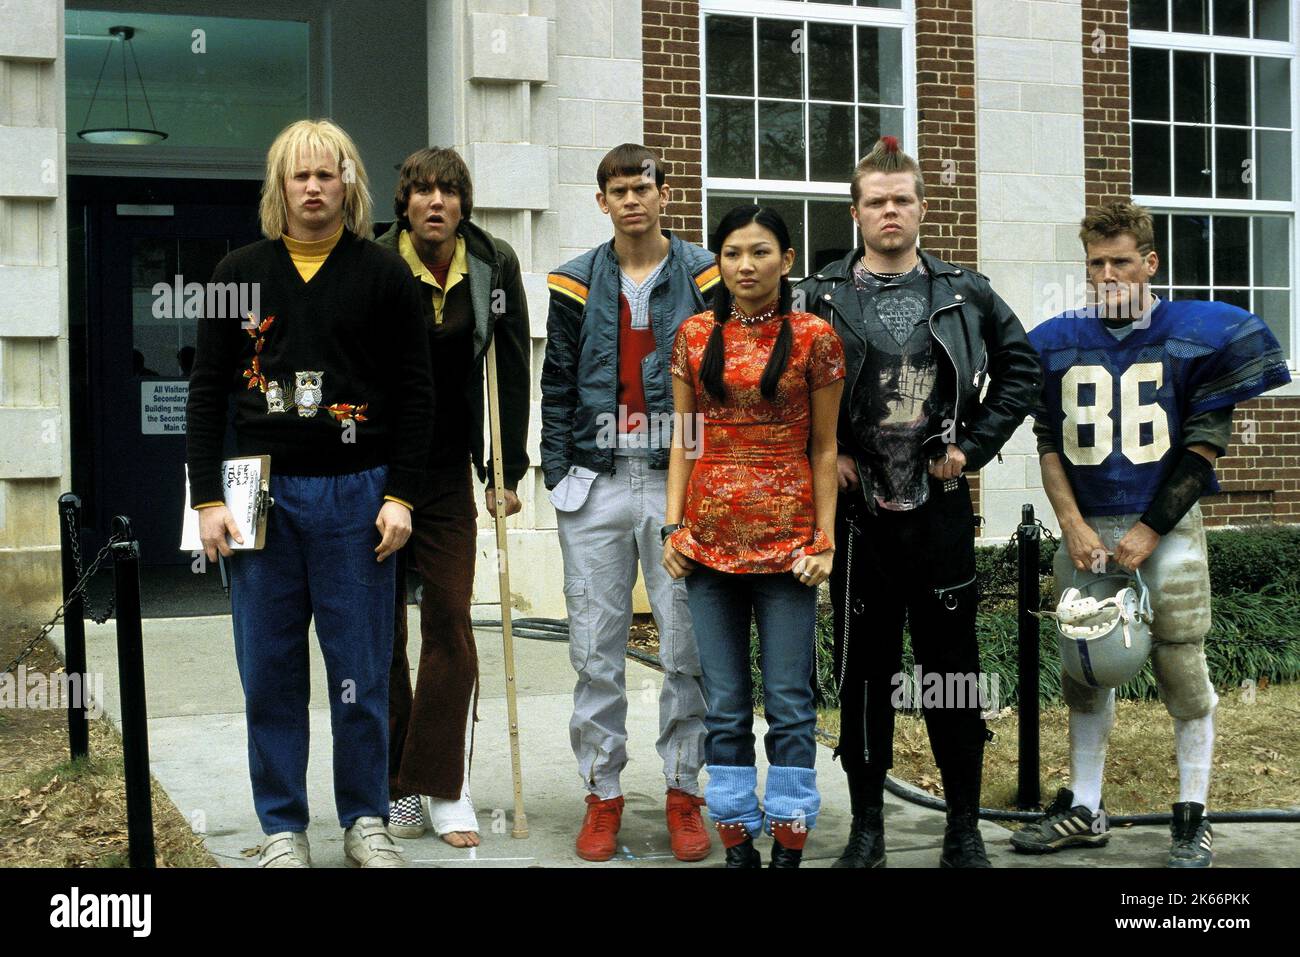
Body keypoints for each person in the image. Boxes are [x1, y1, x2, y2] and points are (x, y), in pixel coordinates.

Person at [185, 119, 434, 868]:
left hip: (359, 497)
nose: (315, 186)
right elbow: (204, 394)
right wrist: (206, 499)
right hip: (258, 493)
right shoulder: (238, 271)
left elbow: (418, 394)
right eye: (301, 175)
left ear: (349, 182)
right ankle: (283, 828)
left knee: (359, 667)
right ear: (281, 186)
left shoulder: (385, 275)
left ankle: (365, 820)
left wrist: (402, 496)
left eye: (329, 174)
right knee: (269, 669)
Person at [1013, 201, 1291, 867]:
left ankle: (1192, 815)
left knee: (1182, 668)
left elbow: (1202, 449)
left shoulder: (1196, 333)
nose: (1107, 275)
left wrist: (1148, 528)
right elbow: (1049, 444)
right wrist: (1073, 525)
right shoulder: (1057, 340)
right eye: (1095, 264)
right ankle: (1085, 805)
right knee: (1085, 670)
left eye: (1120, 261)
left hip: (1167, 529)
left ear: (1150, 261)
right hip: (1087, 531)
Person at [796, 136, 1042, 868]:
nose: (890, 211)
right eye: (877, 201)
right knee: (864, 676)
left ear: (923, 208)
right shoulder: (820, 295)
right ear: (856, 213)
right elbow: (785, 385)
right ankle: (867, 828)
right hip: (857, 518)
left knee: (951, 672)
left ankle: (962, 827)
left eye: (902, 199)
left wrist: (975, 445)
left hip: (938, 513)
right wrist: (826, 447)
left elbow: (1022, 368)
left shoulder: (965, 292)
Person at [541, 143, 716, 862]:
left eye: (643, 186)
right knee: (595, 647)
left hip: (681, 478)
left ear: (665, 192)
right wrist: (555, 469)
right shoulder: (575, 280)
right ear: (602, 201)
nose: (632, 199)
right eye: (618, 190)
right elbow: (554, 382)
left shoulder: (707, 273)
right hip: (596, 478)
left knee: (686, 644)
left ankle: (684, 791)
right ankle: (603, 793)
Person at [662, 205, 844, 868]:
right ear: (719, 261)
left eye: (761, 251)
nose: (746, 264)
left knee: (792, 705)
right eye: (733, 252)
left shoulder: (815, 337)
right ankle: (736, 839)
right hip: (707, 548)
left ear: (787, 260)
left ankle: (791, 843)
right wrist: (673, 525)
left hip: (790, 549)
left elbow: (825, 447)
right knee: (727, 707)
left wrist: (824, 537)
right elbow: (685, 439)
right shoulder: (692, 335)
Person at [375, 147, 530, 848]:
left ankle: (438, 783)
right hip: (375, 467)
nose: (435, 201)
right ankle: (395, 783)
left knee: (451, 620)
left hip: (443, 472)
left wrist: (506, 467)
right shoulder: (375, 262)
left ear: (464, 202)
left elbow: (514, 364)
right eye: (422, 190)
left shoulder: (494, 263)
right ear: (404, 202)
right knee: (380, 633)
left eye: (448, 190)